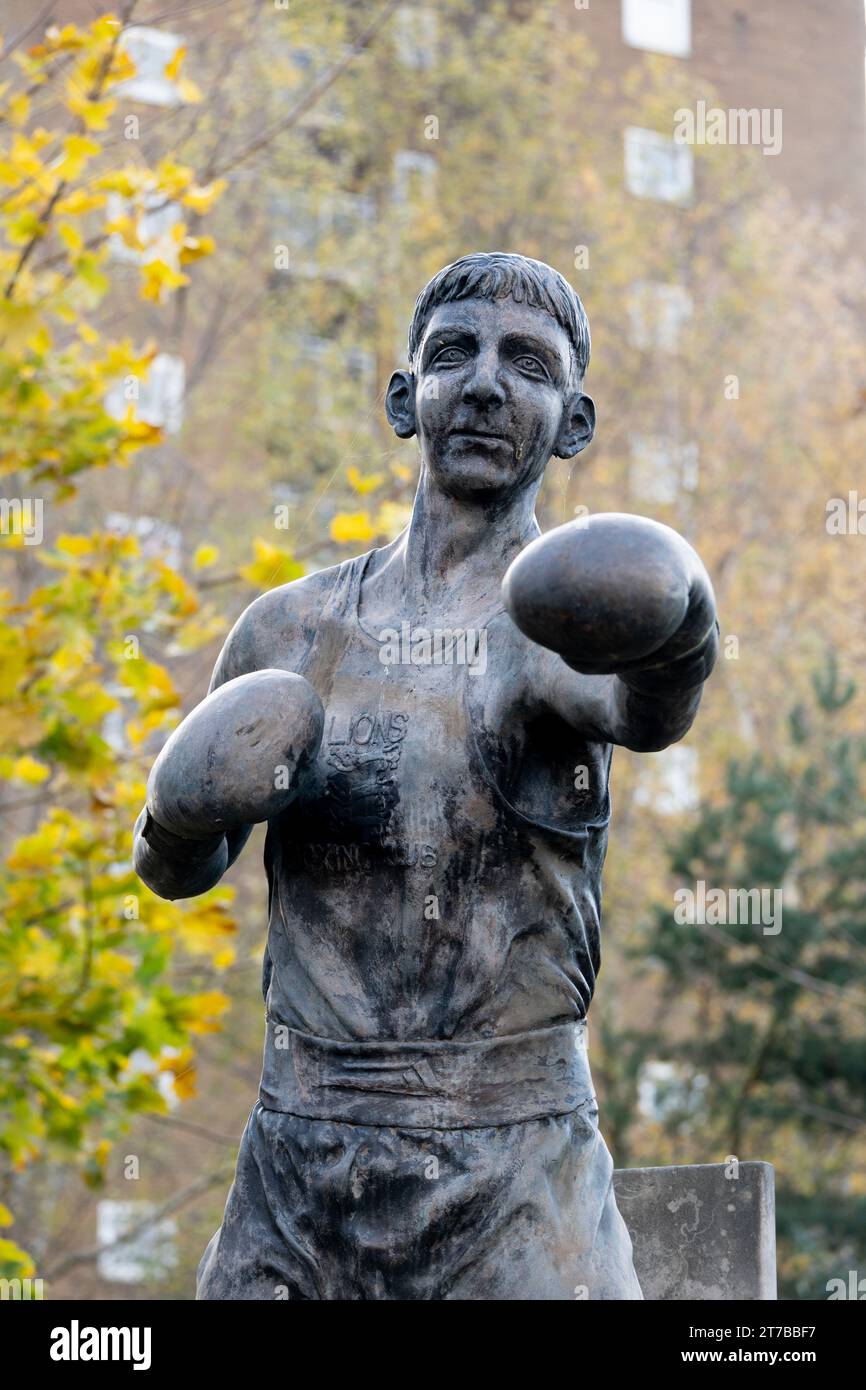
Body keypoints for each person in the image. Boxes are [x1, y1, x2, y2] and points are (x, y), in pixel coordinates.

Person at [134, 252, 718, 1300]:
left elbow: (645, 712)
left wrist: (684, 626)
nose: (487, 384)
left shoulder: (553, 625)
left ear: (572, 423)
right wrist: (173, 820)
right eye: (456, 354)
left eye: (527, 364)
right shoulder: (287, 630)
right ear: (405, 398)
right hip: (296, 1173)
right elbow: (179, 868)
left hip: (514, 1174)